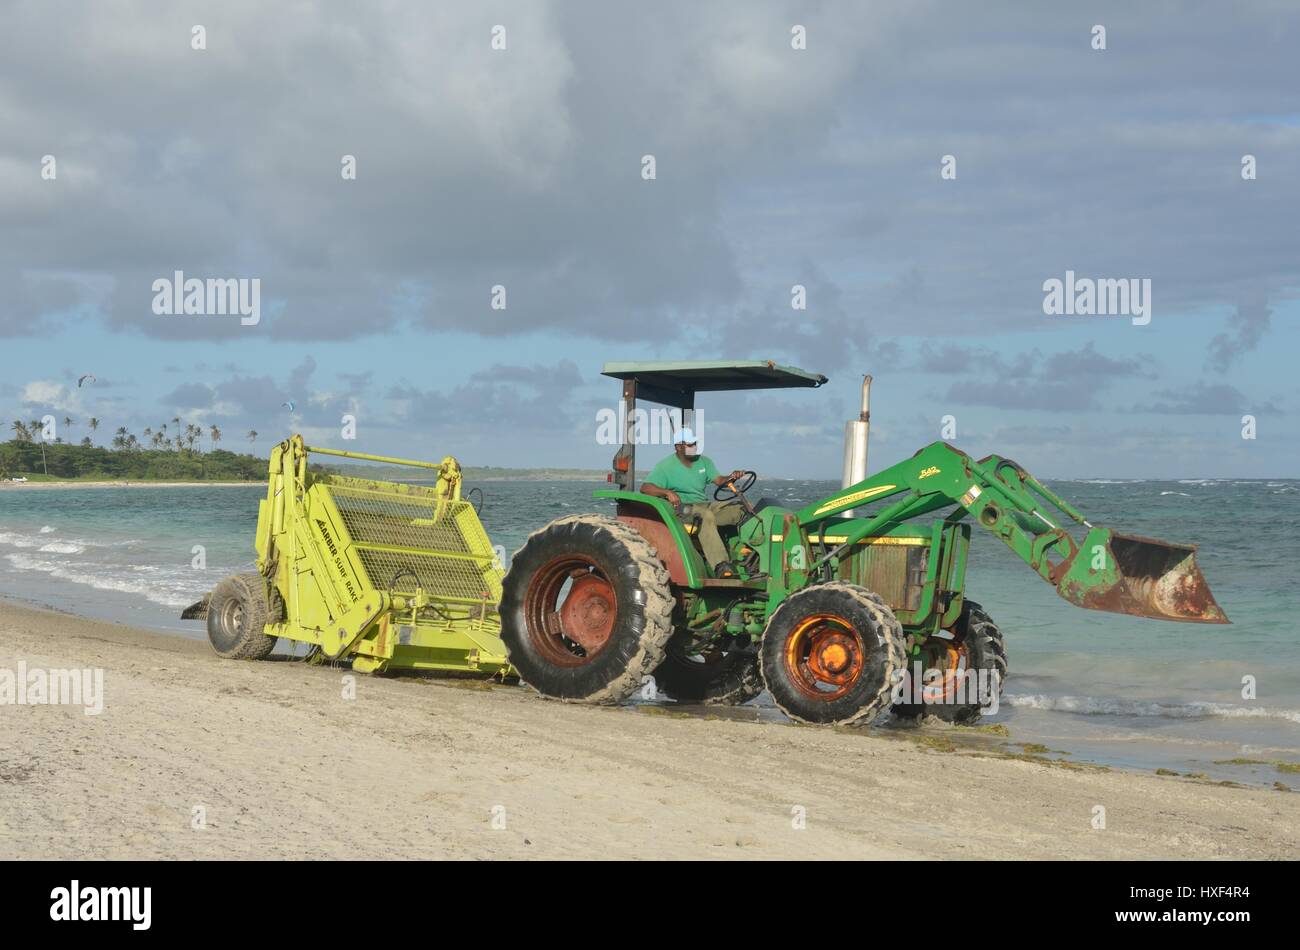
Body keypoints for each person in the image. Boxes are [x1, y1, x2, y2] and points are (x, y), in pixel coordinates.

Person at [640, 427, 748, 578]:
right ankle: (721, 565)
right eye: (690, 444)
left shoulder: (704, 462)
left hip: (704, 504)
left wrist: (732, 476)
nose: (694, 447)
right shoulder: (665, 466)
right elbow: (645, 488)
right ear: (678, 447)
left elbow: (720, 481)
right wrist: (667, 492)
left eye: (694, 443)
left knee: (741, 509)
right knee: (704, 515)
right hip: (683, 509)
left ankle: (747, 557)